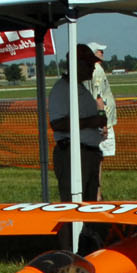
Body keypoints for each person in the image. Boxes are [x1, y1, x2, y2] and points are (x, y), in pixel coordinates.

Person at [48, 45, 105, 202]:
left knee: (89, 203)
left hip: (87, 153)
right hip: (73, 154)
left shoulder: (80, 88)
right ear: (77, 64)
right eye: (89, 64)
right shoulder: (62, 90)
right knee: (73, 203)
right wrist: (91, 122)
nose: (93, 68)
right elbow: (57, 124)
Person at [87, 43, 117, 196]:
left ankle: (97, 192)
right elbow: (98, 97)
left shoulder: (95, 69)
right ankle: (96, 193)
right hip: (101, 119)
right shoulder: (96, 69)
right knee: (97, 157)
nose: (102, 53)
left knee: (98, 157)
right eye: (100, 51)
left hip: (101, 118)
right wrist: (103, 122)